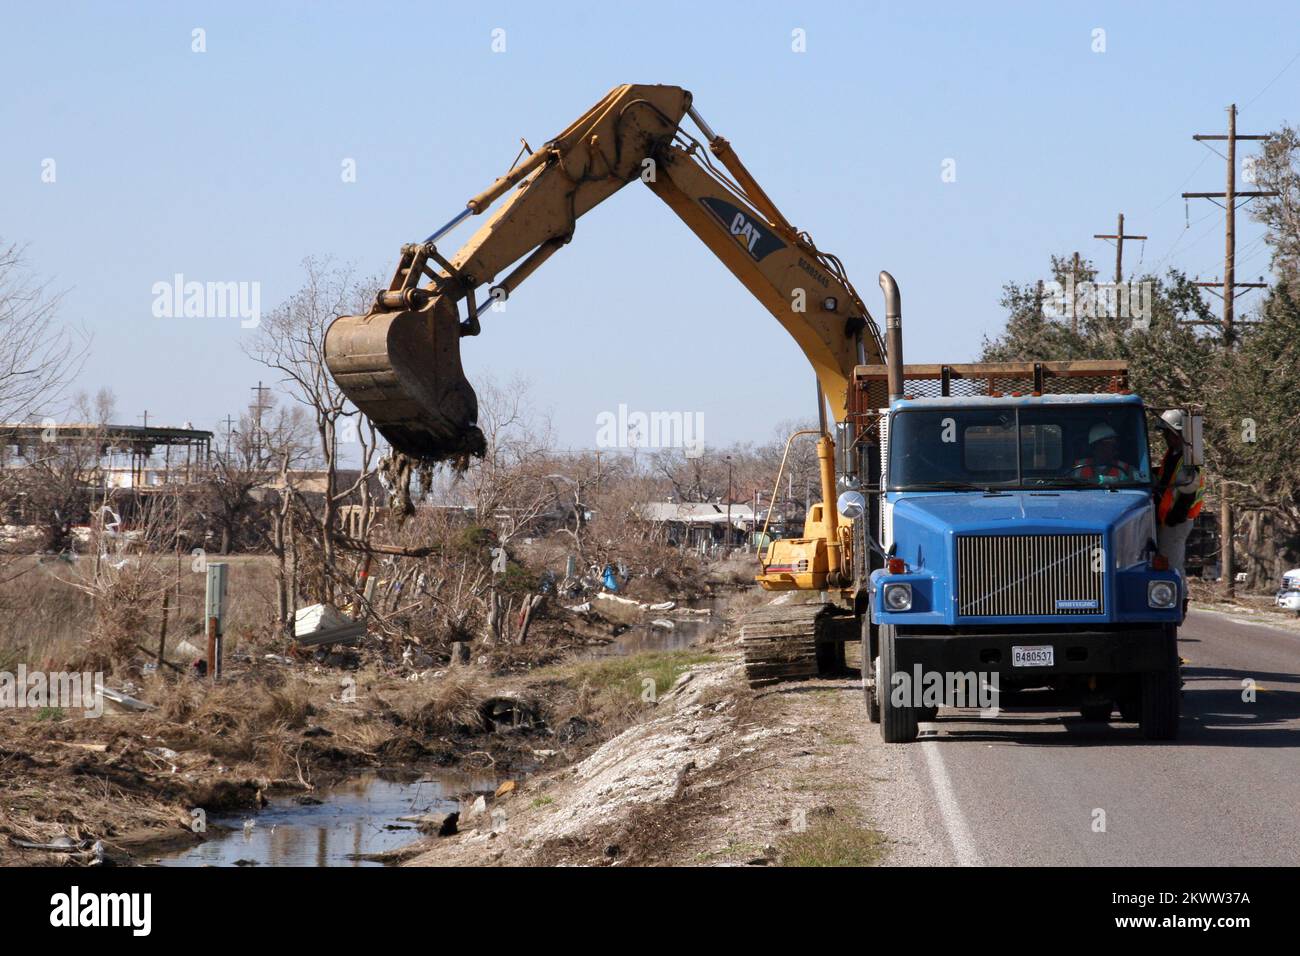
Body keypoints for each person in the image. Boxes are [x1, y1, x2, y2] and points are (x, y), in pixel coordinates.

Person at [1153, 409, 1204, 581]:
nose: (1165, 437)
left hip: (1176, 521)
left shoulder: (1188, 461)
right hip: (1167, 519)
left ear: (1176, 433)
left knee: (1172, 565)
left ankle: (1179, 601)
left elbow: (1188, 492)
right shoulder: (1173, 455)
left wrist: (1176, 517)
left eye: (1167, 432)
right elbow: (1165, 478)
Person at [1071, 423, 1140, 483]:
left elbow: (1142, 482)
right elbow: (1066, 483)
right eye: (1105, 444)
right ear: (1094, 447)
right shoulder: (1078, 467)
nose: (1112, 448)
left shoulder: (1126, 469)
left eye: (1114, 444)